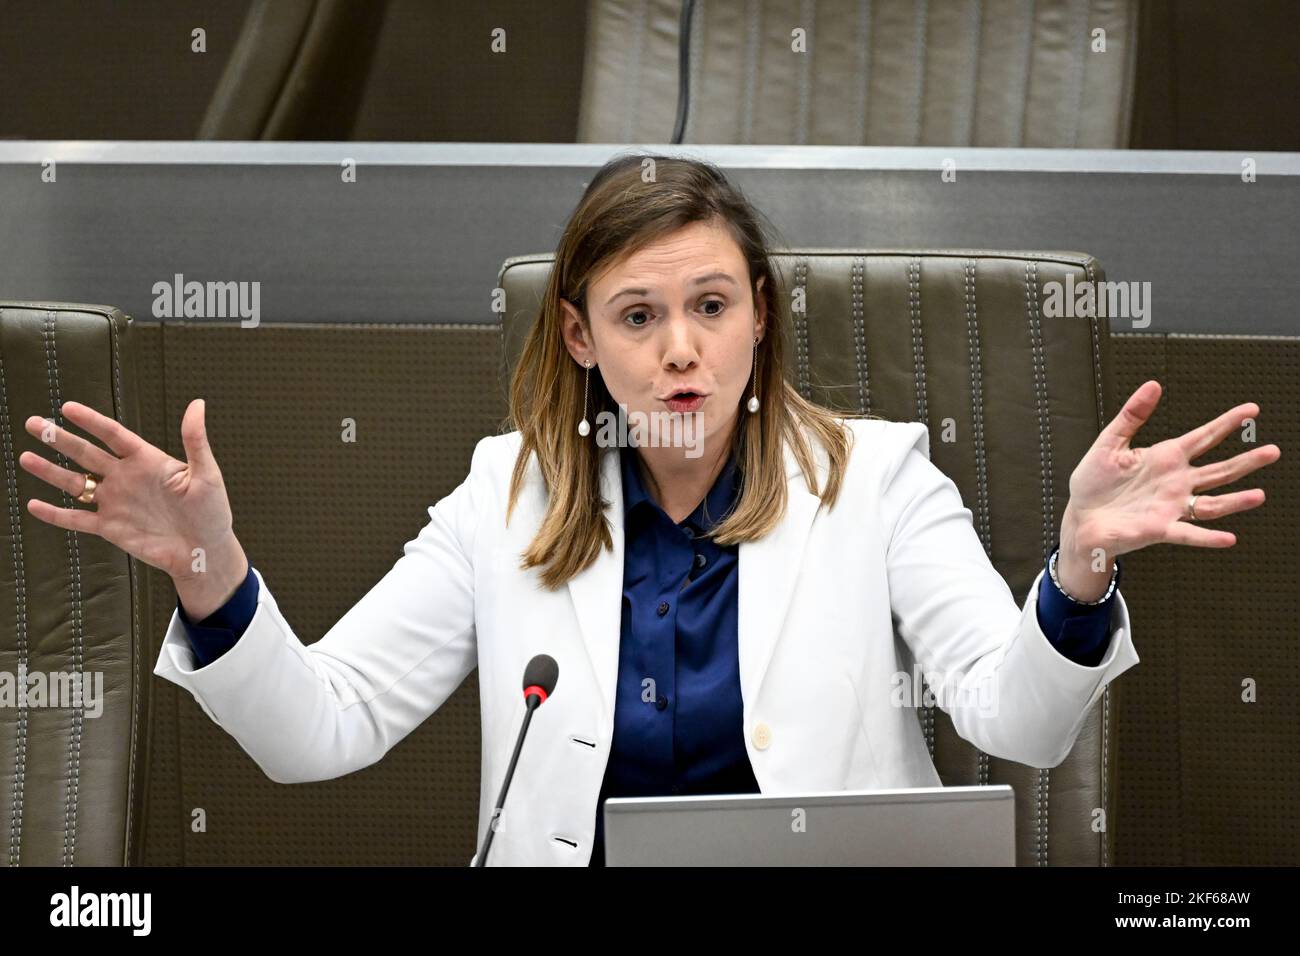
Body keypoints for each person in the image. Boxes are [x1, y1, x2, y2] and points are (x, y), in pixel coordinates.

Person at [18, 154, 1280, 866]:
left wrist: (1073, 574)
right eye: (637, 315)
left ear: (760, 314)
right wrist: (209, 570)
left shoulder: (877, 475)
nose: (681, 349)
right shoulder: (502, 493)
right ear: (577, 334)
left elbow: (1017, 720)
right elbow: (320, 732)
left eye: (712, 306)